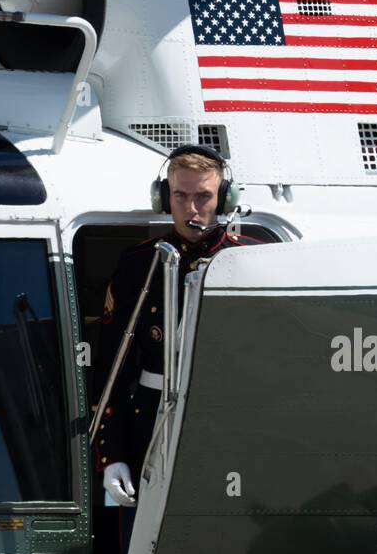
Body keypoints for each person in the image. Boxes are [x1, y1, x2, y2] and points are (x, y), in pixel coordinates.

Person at [95, 144, 261, 509]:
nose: (191, 208)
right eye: (180, 196)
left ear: (224, 199)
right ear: (163, 198)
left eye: (203, 196)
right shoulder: (138, 263)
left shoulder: (253, 259)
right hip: (149, 424)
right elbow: (112, 367)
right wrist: (112, 454)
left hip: (226, 424)